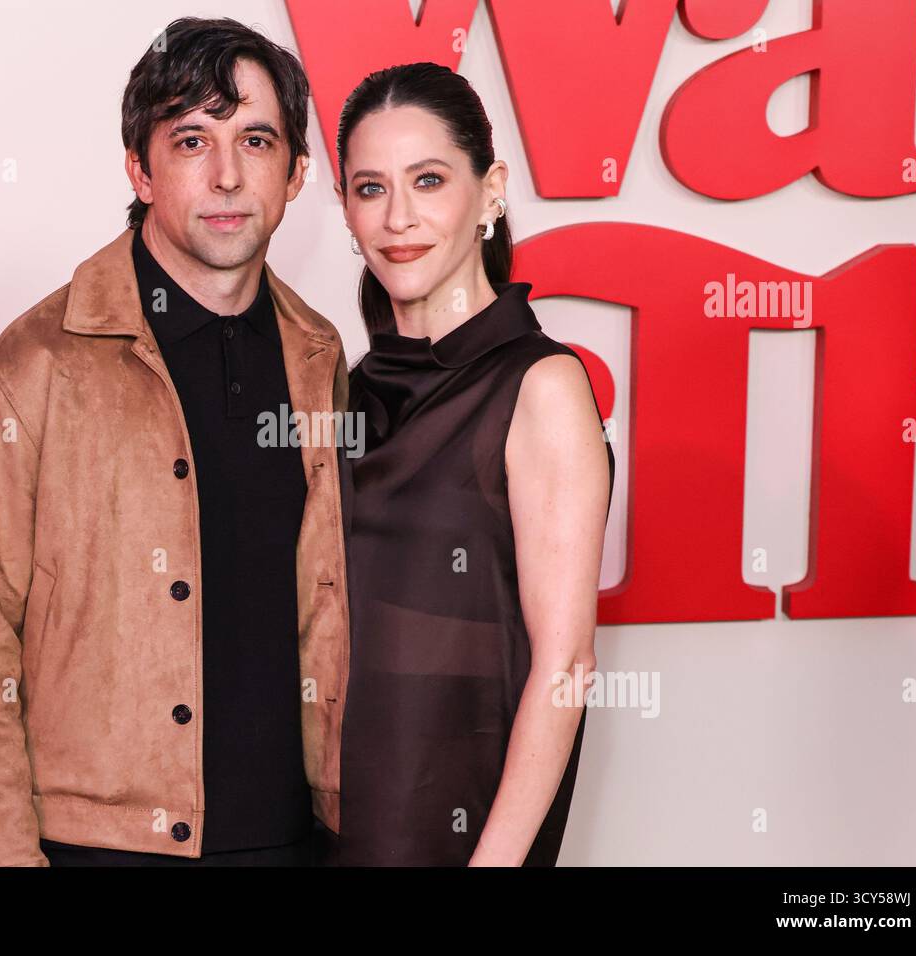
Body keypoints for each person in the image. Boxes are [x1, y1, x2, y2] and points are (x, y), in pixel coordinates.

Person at [0, 17, 350, 867]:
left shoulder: (321, 356)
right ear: (140, 168)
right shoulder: (31, 368)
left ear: (297, 172)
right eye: (192, 139)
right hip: (99, 847)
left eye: (255, 140)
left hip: (297, 839)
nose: (227, 175)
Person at [331, 62, 616, 866]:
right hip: (323, 827)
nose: (399, 218)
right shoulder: (340, 395)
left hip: (458, 835)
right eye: (370, 188)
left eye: (428, 180)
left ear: (491, 192)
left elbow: (565, 666)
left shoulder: (541, 386)